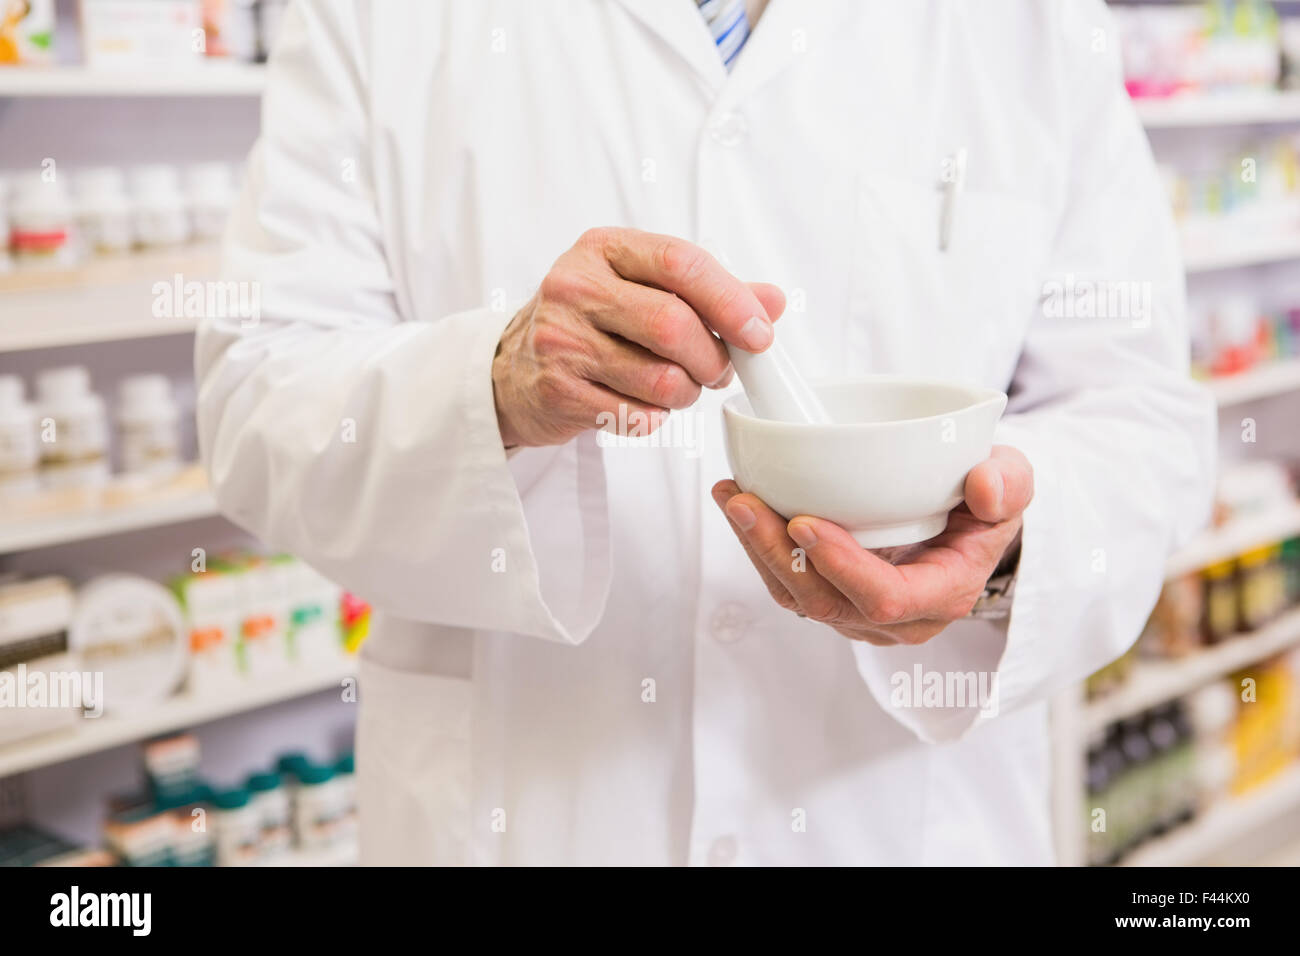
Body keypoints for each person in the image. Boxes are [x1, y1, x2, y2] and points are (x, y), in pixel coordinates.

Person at [196, 0, 1216, 865]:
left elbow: (1140, 415)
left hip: (903, 819)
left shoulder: (1030, 24)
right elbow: (254, 397)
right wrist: (495, 381)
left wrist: (1000, 554)